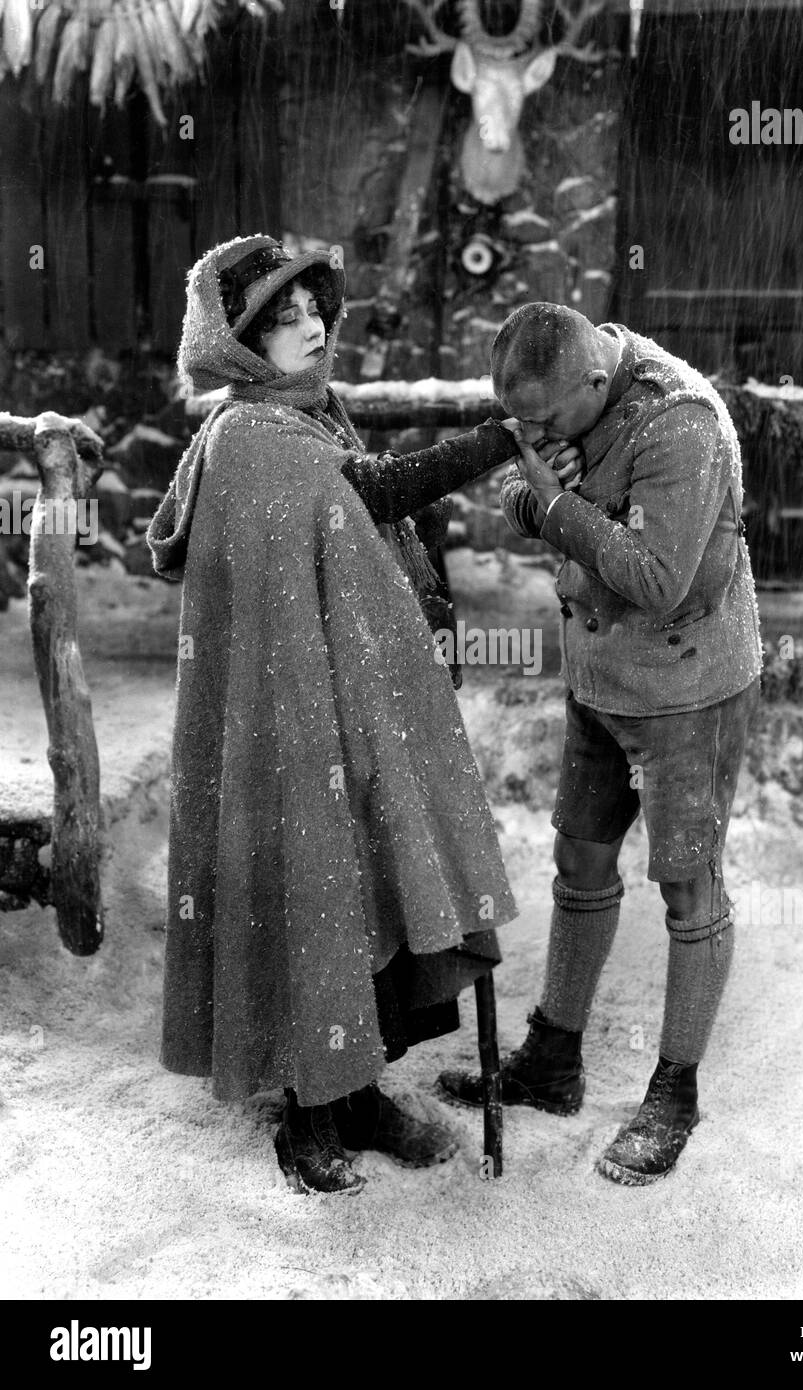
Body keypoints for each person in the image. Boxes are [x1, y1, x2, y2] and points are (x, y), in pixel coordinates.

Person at [146, 238, 581, 1196]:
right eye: (281, 319)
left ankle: (356, 1088)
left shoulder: (307, 415)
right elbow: (366, 495)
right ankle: (310, 1110)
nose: (311, 329)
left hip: (340, 700)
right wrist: (489, 441)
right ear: (240, 343)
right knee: (310, 884)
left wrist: (429, 584)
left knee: (356, 879)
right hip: (287, 719)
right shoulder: (251, 438)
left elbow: (365, 509)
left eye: (312, 311)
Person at [438, 301, 763, 1185]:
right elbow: (524, 500)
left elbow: (655, 580)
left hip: (685, 687)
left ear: (592, 379)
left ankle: (675, 1091)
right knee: (579, 863)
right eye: (518, 419)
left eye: (544, 419)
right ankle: (553, 1062)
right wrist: (537, 493)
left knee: (687, 884)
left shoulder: (679, 423)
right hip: (598, 680)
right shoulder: (570, 388)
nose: (528, 433)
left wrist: (552, 503)